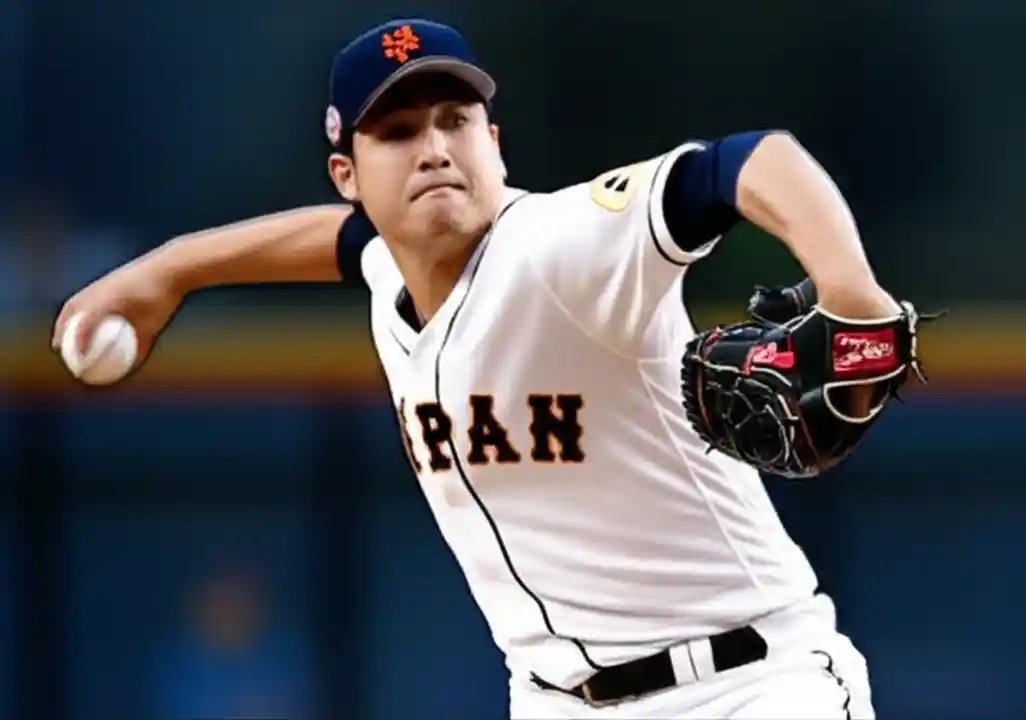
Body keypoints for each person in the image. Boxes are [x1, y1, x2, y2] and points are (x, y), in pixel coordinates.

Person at [53, 18, 902, 719]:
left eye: (454, 122)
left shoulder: (563, 247)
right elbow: (340, 242)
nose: (433, 148)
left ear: (495, 146)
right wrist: (165, 271)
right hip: (553, 702)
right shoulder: (392, 267)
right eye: (396, 131)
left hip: (750, 688)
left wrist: (852, 293)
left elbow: (750, 163)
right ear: (347, 173)